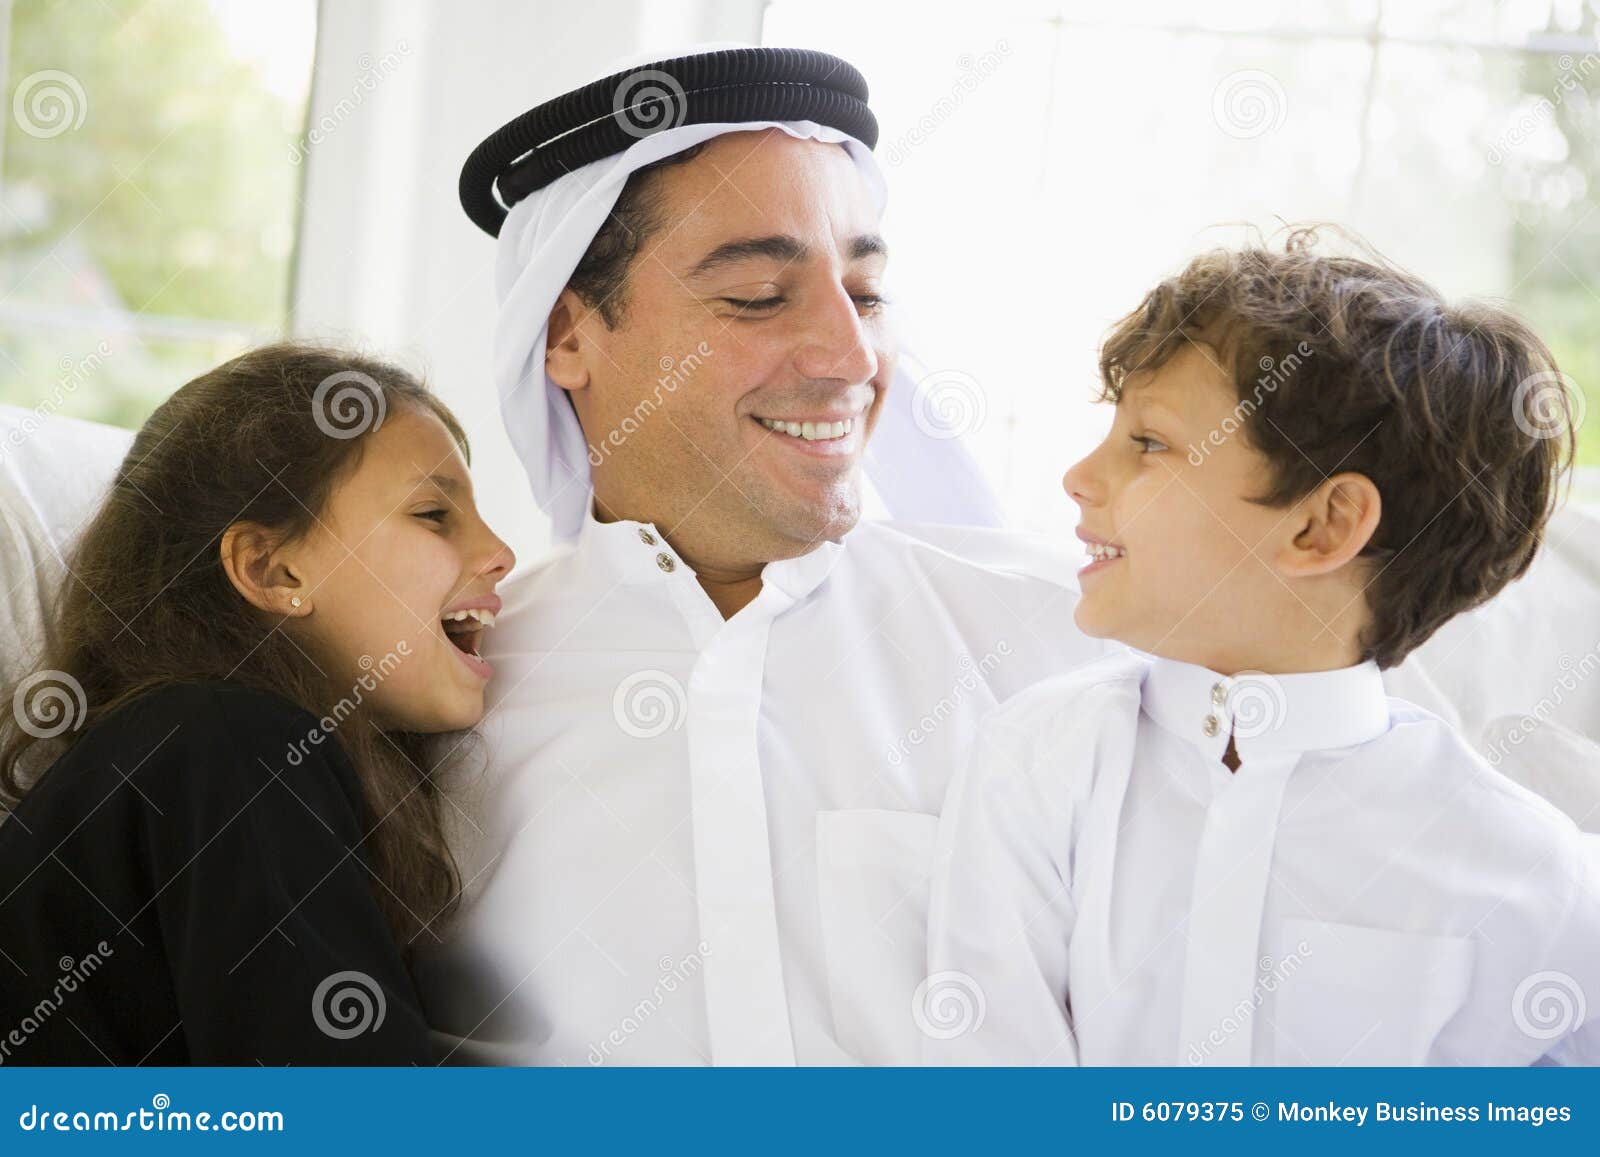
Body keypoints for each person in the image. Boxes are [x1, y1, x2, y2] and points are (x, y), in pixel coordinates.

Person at [412, 44, 1106, 1065]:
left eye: (864, 293)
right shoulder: (437, 693)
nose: (850, 356)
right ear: (567, 334)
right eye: (756, 298)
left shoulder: (1074, 645)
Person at [926, 227, 1600, 1065]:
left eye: (1148, 443)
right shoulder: (1036, 767)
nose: (1079, 476)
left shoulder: (1534, 881)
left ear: (1323, 526)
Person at [0, 343, 515, 1064]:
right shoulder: (227, 742)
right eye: (433, 514)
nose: (501, 552)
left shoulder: (208, 757)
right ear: (271, 569)